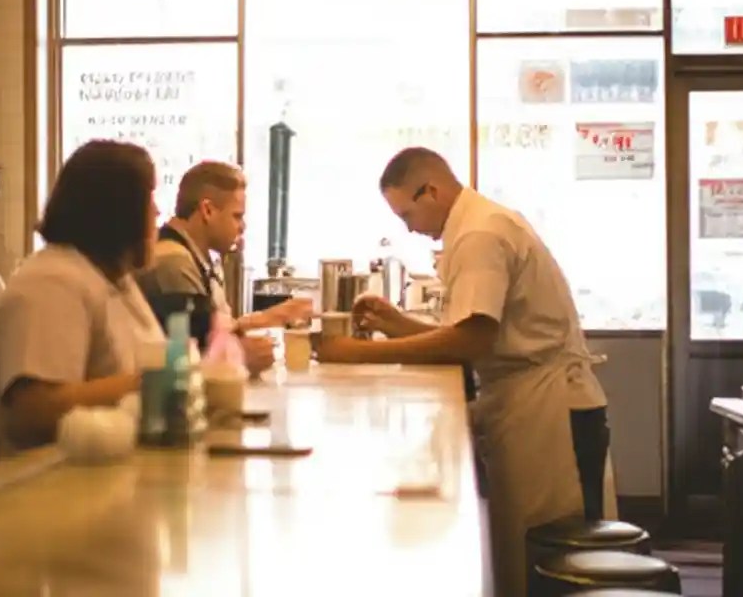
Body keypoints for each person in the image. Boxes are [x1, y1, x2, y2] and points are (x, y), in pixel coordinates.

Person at [316, 147, 616, 597]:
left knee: (556, 565)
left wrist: (355, 354)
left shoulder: (479, 233)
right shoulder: (472, 225)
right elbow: (473, 331)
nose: (410, 229)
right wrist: (394, 322)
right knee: (520, 553)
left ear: (430, 190)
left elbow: (471, 342)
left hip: (552, 411)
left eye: (406, 215)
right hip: (526, 401)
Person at [0, 140, 164, 464]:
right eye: (149, 199)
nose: (156, 212)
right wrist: (153, 384)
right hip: (28, 491)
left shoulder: (115, 280)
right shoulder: (51, 280)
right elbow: (34, 411)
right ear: (119, 210)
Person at [137, 161, 312, 373]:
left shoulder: (199, 258)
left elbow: (213, 331)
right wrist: (262, 326)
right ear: (208, 210)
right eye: (237, 216)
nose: (243, 226)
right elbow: (195, 347)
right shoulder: (174, 261)